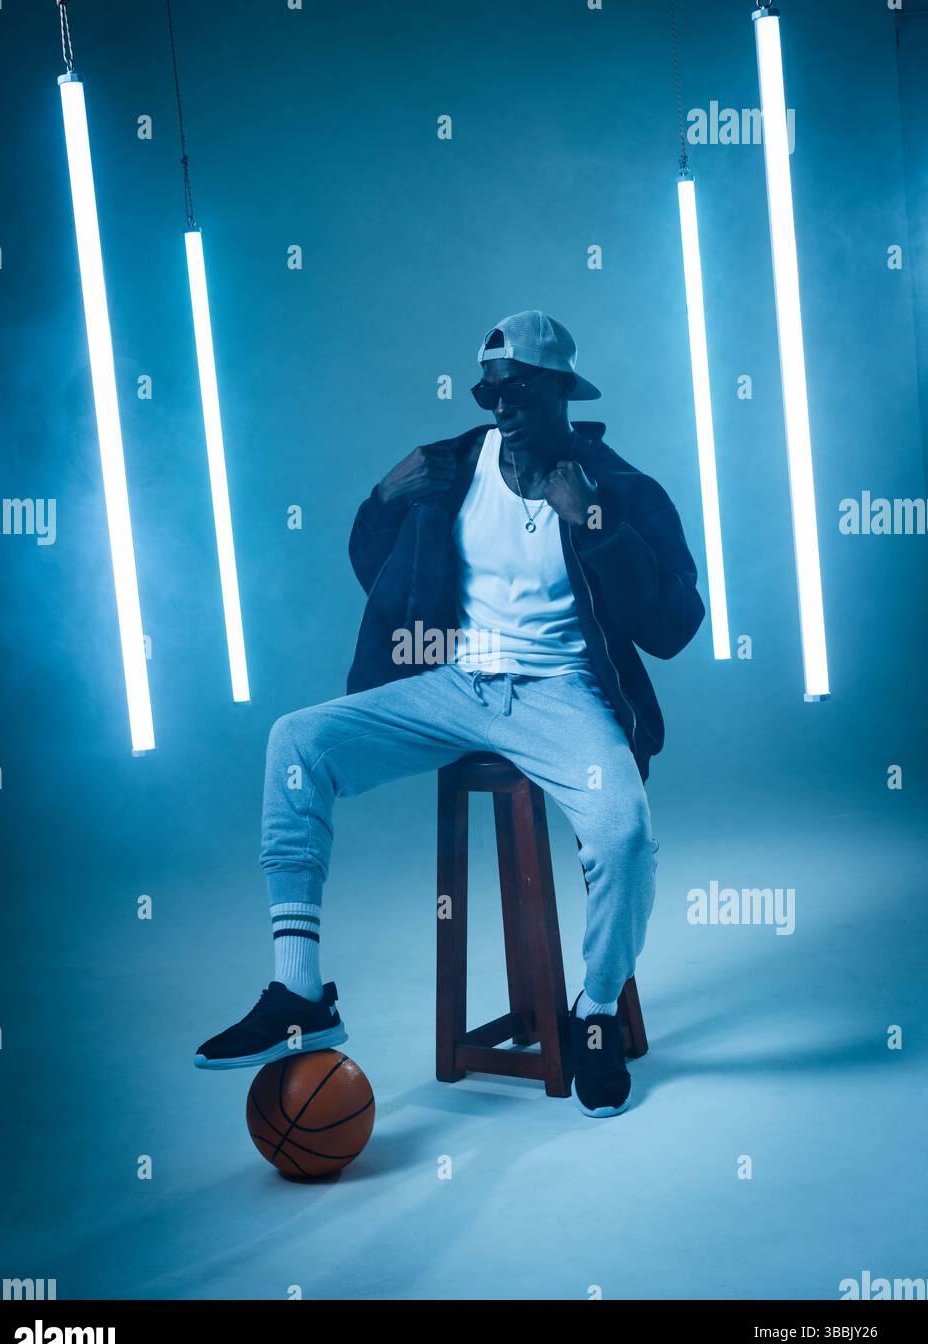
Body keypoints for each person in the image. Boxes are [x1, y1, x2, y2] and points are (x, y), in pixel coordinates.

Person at [196, 310, 705, 1116]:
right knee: (296, 743)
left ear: (562, 391)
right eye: (487, 389)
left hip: (559, 694)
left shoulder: (619, 487)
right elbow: (389, 575)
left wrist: (593, 522)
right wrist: (380, 501)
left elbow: (677, 623)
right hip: (457, 686)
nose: (500, 405)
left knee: (623, 833)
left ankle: (596, 1013)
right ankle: (299, 993)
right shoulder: (453, 465)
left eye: (519, 388)